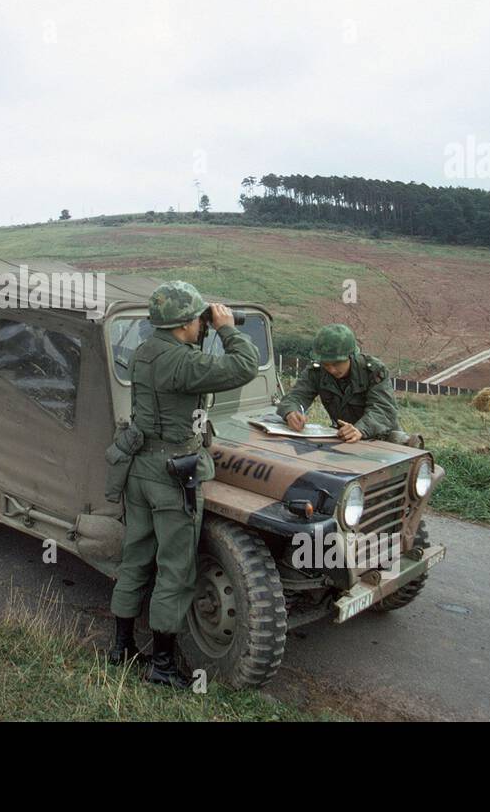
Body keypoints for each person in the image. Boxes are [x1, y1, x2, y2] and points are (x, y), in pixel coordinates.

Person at [108, 281, 259, 688]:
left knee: (136, 558)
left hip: (138, 467)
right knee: (175, 570)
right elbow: (244, 365)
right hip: (172, 474)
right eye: (197, 320)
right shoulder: (182, 363)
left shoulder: (143, 352)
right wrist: (226, 328)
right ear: (183, 324)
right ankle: (161, 666)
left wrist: (204, 325)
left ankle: (121, 648)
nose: (202, 325)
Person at [277, 324, 416, 445]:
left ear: (351, 356)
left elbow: (383, 410)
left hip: (382, 439)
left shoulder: (373, 370)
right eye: (326, 364)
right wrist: (291, 412)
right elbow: (296, 396)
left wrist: (360, 429)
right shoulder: (317, 371)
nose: (331, 369)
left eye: (337, 363)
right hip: (346, 441)